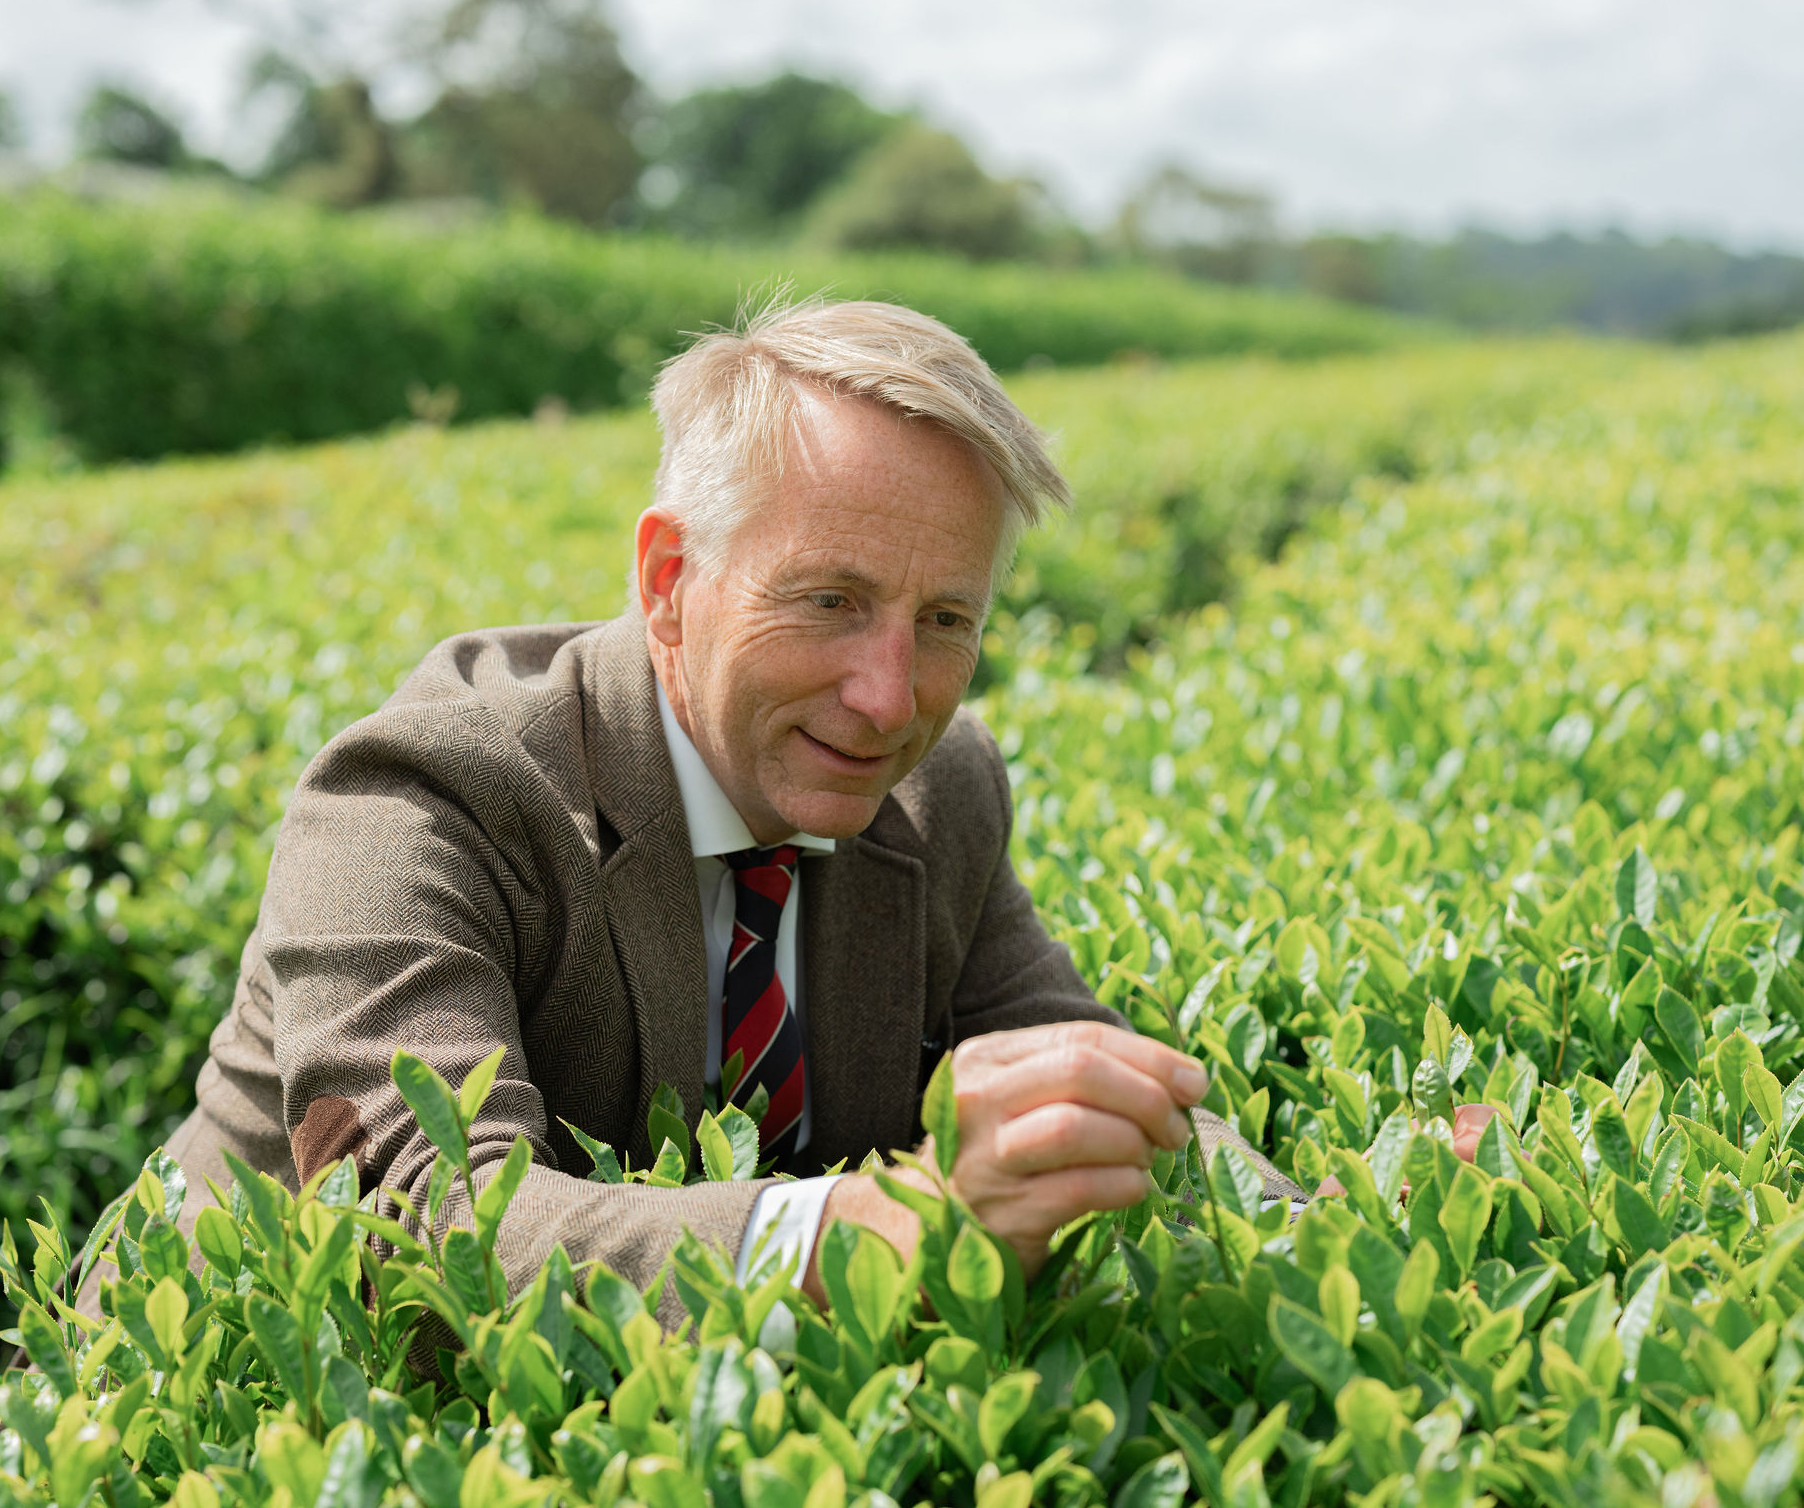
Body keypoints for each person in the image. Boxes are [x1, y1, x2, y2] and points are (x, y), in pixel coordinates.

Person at [134, 298, 1311, 1322]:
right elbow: (421, 1231)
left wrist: (1348, 1210)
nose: (890, 699)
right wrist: (873, 1230)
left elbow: (1080, 1068)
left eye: (946, 620)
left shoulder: (939, 785)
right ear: (667, 581)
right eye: (829, 601)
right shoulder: (420, 800)